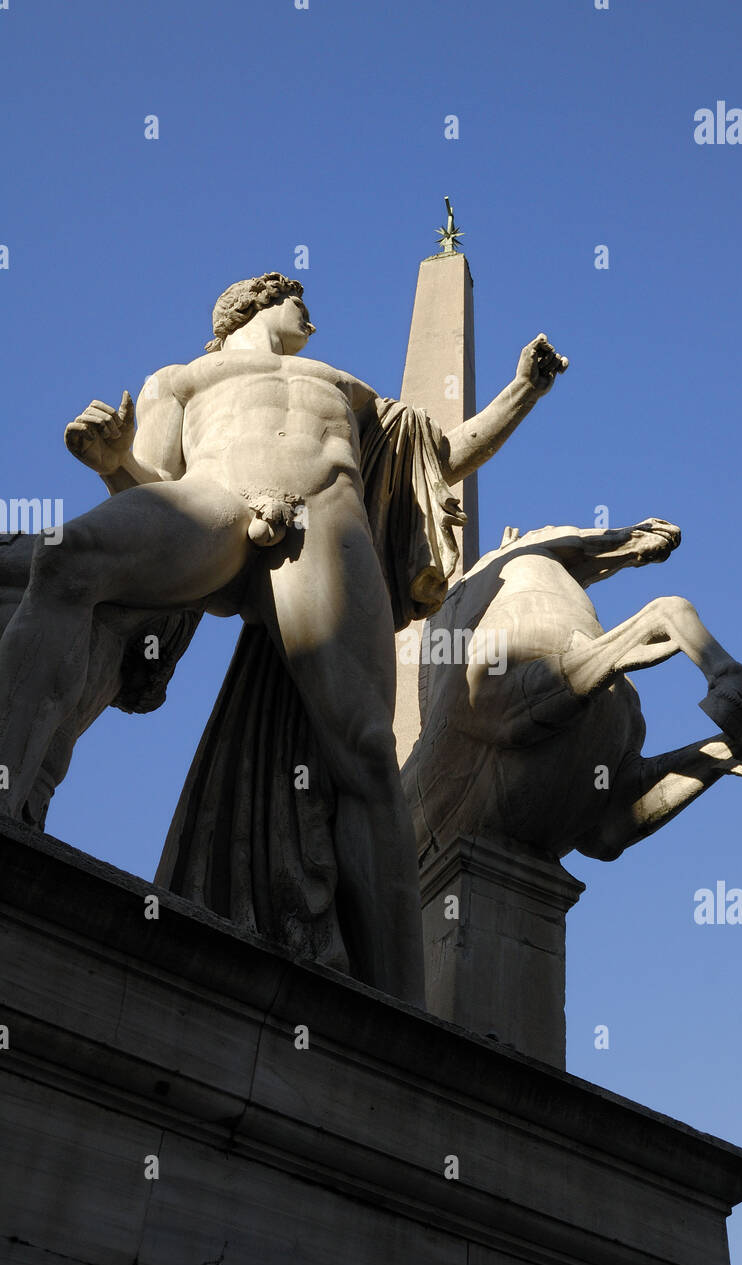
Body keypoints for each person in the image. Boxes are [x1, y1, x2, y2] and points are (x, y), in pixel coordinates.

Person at [0, 271, 567, 1003]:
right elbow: (150, 485)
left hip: (324, 523)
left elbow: (446, 457)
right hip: (213, 500)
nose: (313, 317)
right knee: (64, 560)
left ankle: (400, 1006)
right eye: (302, 302)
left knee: (363, 749)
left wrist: (523, 390)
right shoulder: (181, 377)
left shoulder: (348, 388)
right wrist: (116, 463)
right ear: (257, 302)